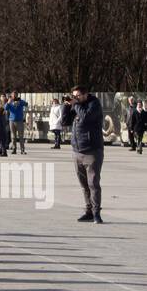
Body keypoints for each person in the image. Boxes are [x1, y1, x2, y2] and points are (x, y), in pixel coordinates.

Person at [65, 85, 104, 223]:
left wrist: (75, 105)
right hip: (77, 151)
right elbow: (65, 121)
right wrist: (67, 106)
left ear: (86, 94)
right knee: (84, 184)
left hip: (92, 150)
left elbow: (86, 117)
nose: (76, 98)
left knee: (93, 183)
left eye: (78, 96)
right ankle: (88, 211)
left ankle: (96, 213)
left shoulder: (94, 104)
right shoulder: (77, 106)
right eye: (74, 96)